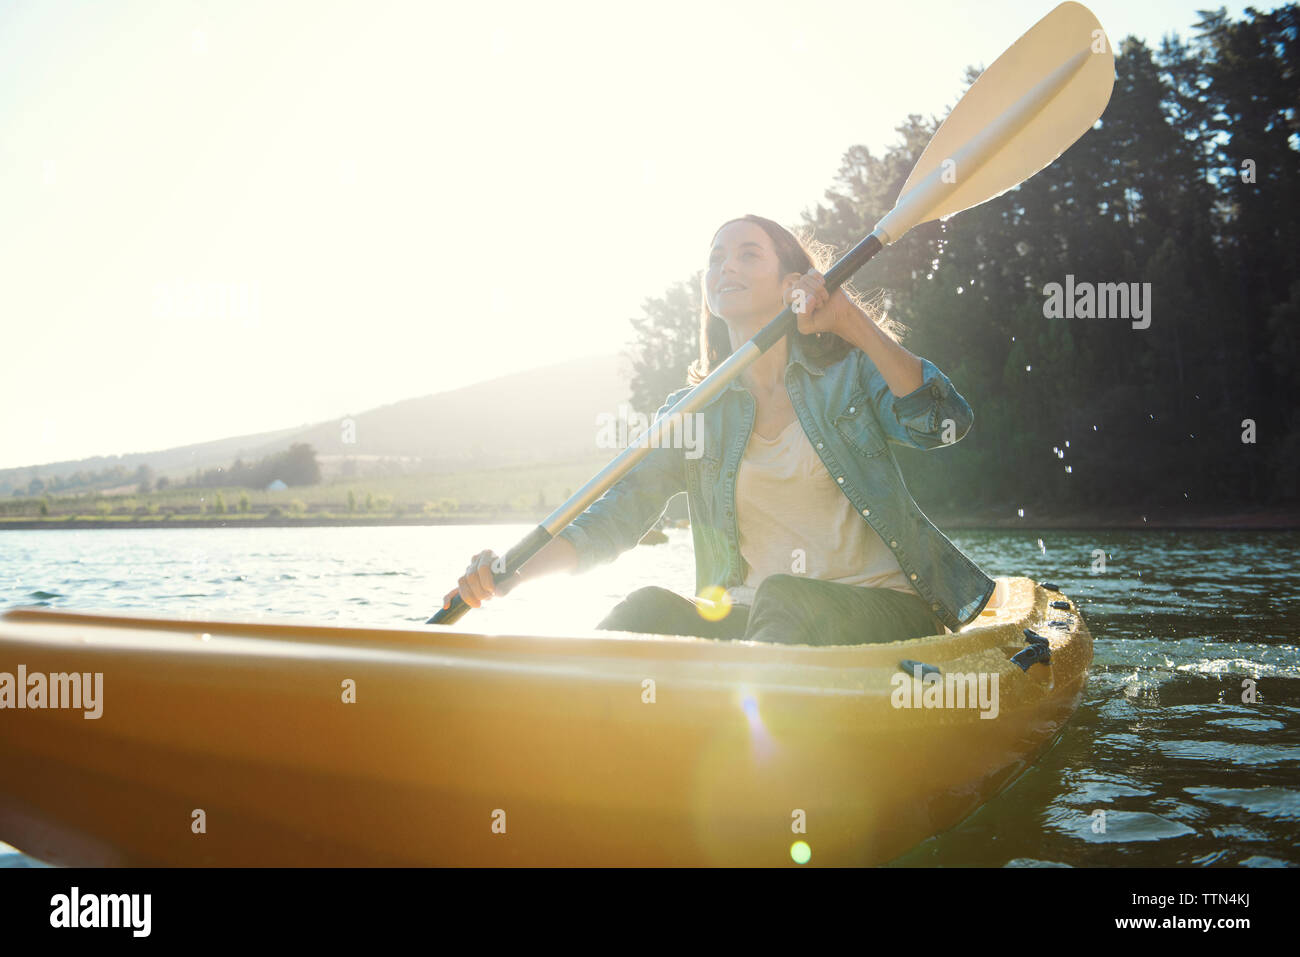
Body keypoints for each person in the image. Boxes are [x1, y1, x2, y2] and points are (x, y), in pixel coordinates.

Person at [442, 214, 995, 645]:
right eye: (715, 258)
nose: (725, 266)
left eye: (747, 254)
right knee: (644, 608)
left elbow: (944, 425)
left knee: (785, 597)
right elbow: (612, 518)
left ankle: (746, 753)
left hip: (885, 612)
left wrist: (851, 322)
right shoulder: (694, 414)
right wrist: (509, 574)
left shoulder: (849, 377)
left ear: (791, 281)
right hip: (756, 620)